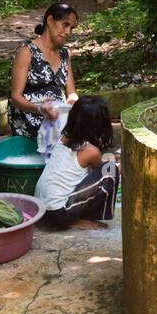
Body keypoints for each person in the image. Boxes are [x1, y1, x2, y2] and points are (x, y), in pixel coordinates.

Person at [33, 96, 120, 230]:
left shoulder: (63, 137)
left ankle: (72, 216)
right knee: (111, 169)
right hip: (57, 214)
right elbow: (100, 174)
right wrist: (115, 164)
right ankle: (77, 220)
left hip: (40, 208)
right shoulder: (91, 151)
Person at [9, 3, 80, 139]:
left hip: (57, 117)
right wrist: (40, 109)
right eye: (65, 25)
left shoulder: (65, 54)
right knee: (66, 144)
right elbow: (15, 98)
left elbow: (71, 94)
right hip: (30, 119)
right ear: (50, 21)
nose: (68, 32)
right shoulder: (27, 52)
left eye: (71, 28)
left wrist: (69, 107)